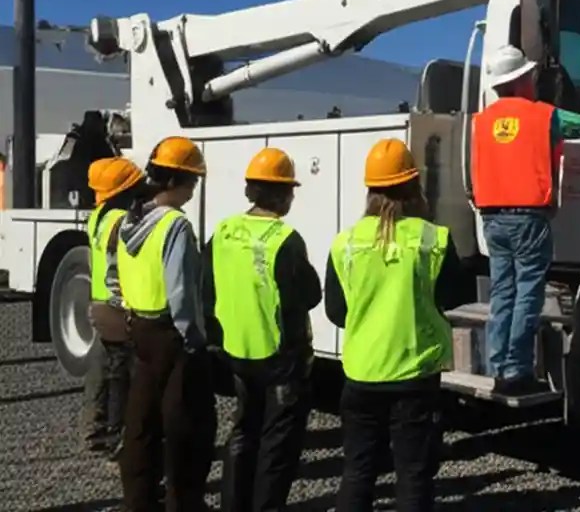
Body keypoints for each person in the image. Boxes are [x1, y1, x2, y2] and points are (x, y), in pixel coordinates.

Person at [470, 44, 580, 395]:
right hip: (528, 219)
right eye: (531, 76)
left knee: (502, 293)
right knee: (527, 294)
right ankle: (516, 373)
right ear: (521, 80)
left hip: (492, 219)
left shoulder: (481, 121)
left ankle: (498, 366)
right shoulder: (543, 116)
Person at [325, 138, 469, 512]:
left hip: (361, 374)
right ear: (412, 187)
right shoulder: (433, 239)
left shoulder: (345, 243)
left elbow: (337, 312)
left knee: (357, 471)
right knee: (413, 475)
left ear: (370, 189)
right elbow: (455, 295)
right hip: (414, 375)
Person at [205, 147, 321, 512]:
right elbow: (309, 295)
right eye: (289, 190)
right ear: (280, 193)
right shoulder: (284, 239)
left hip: (237, 352)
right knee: (278, 444)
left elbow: (206, 287)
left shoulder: (223, 231)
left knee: (243, 431)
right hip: (279, 358)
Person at [113, 136, 216, 512]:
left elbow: (118, 272)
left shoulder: (130, 219)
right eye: (192, 182)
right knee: (184, 429)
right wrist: (195, 340)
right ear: (176, 181)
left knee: (140, 426)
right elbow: (181, 291)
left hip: (139, 330)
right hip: (171, 335)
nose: (193, 190)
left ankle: (138, 502)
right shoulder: (175, 225)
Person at [82, 156, 145, 458]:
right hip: (117, 305)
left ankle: (95, 430)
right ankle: (116, 438)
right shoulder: (122, 220)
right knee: (123, 374)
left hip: (98, 301)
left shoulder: (97, 216)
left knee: (102, 368)